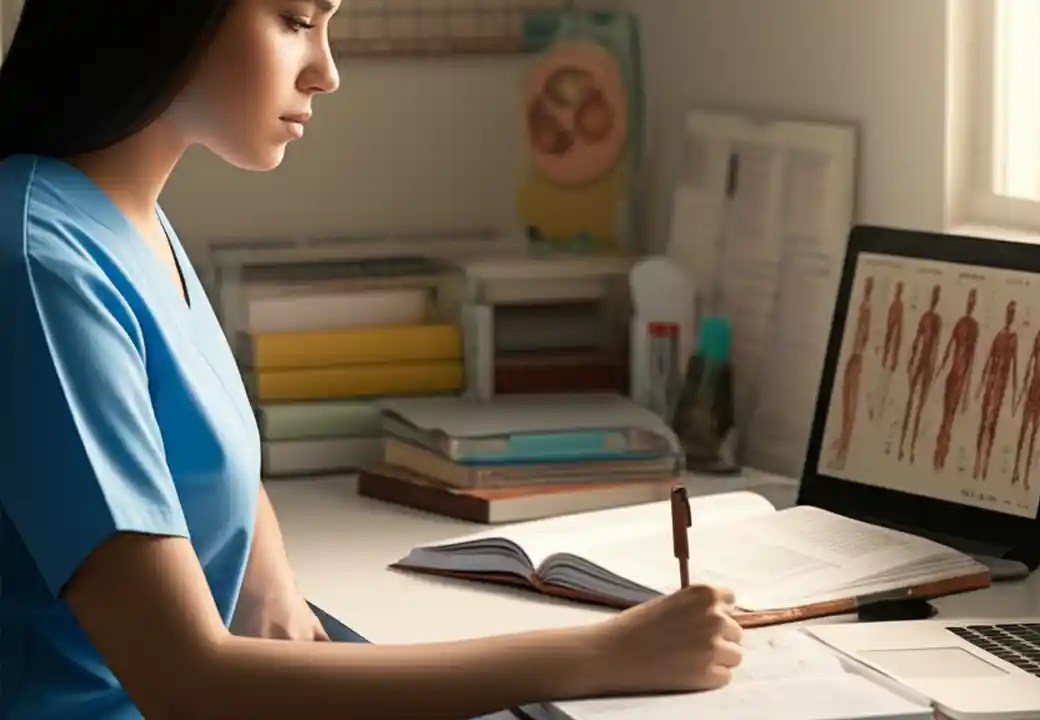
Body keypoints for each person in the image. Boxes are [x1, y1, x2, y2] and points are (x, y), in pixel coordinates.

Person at [0, 2, 743, 718]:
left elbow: (193, 459)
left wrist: (277, 592)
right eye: (296, 22)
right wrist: (602, 656)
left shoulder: (129, 222)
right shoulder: (40, 262)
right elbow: (188, 685)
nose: (326, 71)